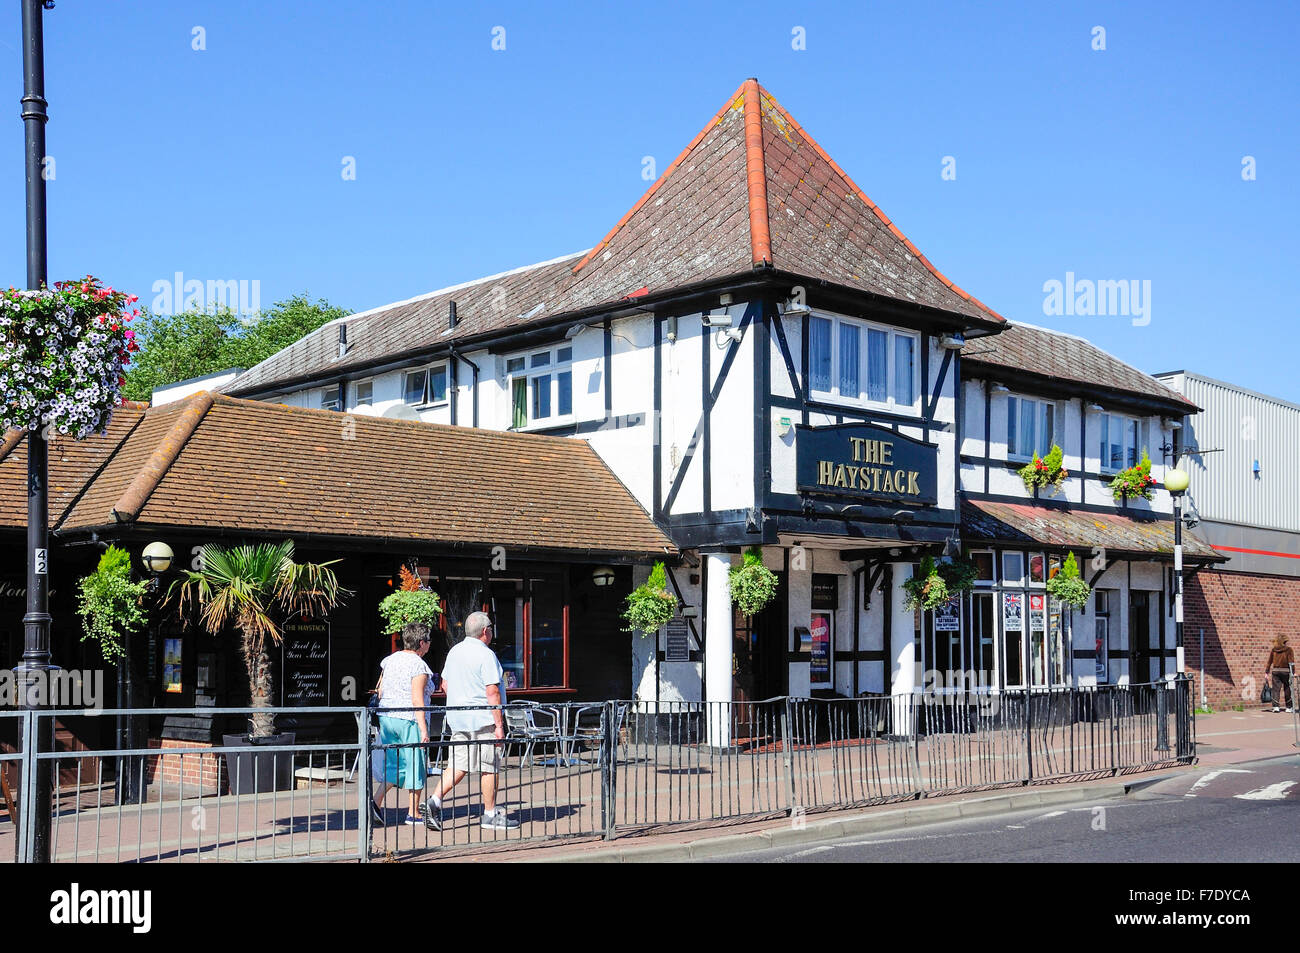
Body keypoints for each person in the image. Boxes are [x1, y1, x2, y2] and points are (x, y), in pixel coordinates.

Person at [421, 611, 520, 831]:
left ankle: (434, 801)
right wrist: (499, 726)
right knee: (489, 766)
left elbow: (444, 684)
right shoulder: (486, 655)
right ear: (485, 631)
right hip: (483, 719)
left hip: (458, 719)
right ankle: (490, 814)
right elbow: (492, 691)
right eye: (491, 628)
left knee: (458, 764)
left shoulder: (455, 651)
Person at [371, 623, 436, 825]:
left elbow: (379, 689)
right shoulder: (419, 665)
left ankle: (375, 803)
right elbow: (417, 699)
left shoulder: (389, 660)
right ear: (422, 643)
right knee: (415, 763)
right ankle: (413, 812)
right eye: (429, 641)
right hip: (409, 719)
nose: (430, 645)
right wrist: (424, 729)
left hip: (388, 717)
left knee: (395, 763)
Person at [1264, 634, 1294, 713]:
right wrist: (1293, 673)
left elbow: (1269, 661)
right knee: (1287, 689)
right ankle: (1289, 707)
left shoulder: (1274, 650)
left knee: (1275, 689)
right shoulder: (1289, 650)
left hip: (1276, 671)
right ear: (1284, 642)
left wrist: (1267, 672)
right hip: (1286, 671)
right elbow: (1291, 662)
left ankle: (1275, 707)